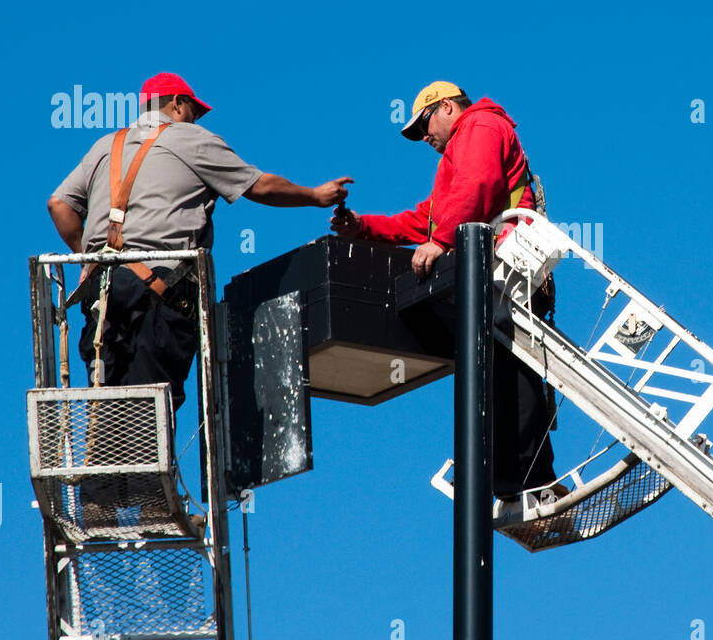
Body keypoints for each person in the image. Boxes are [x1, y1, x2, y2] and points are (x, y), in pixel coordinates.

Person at [48, 72, 354, 409]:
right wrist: (315, 194)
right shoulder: (190, 139)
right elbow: (259, 186)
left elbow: (59, 204)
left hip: (103, 297)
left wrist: (87, 257)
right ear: (178, 104)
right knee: (152, 407)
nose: (195, 118)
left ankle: (116, 460)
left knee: (110, 409)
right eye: (194, 110)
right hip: (158, 292)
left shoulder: (106, 146)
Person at [328, 81, 557, 500]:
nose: (425, 137)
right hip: (501, 275)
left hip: (510, 272)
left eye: (424, 125)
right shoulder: (465, 146)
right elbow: (426, 220)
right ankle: (520, 480)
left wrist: (444, 240)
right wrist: (364, 228)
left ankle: (528, 480)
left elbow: (478, 186)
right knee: (501, 373)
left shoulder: (480, 126)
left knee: (510, 373)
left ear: (447, 107)